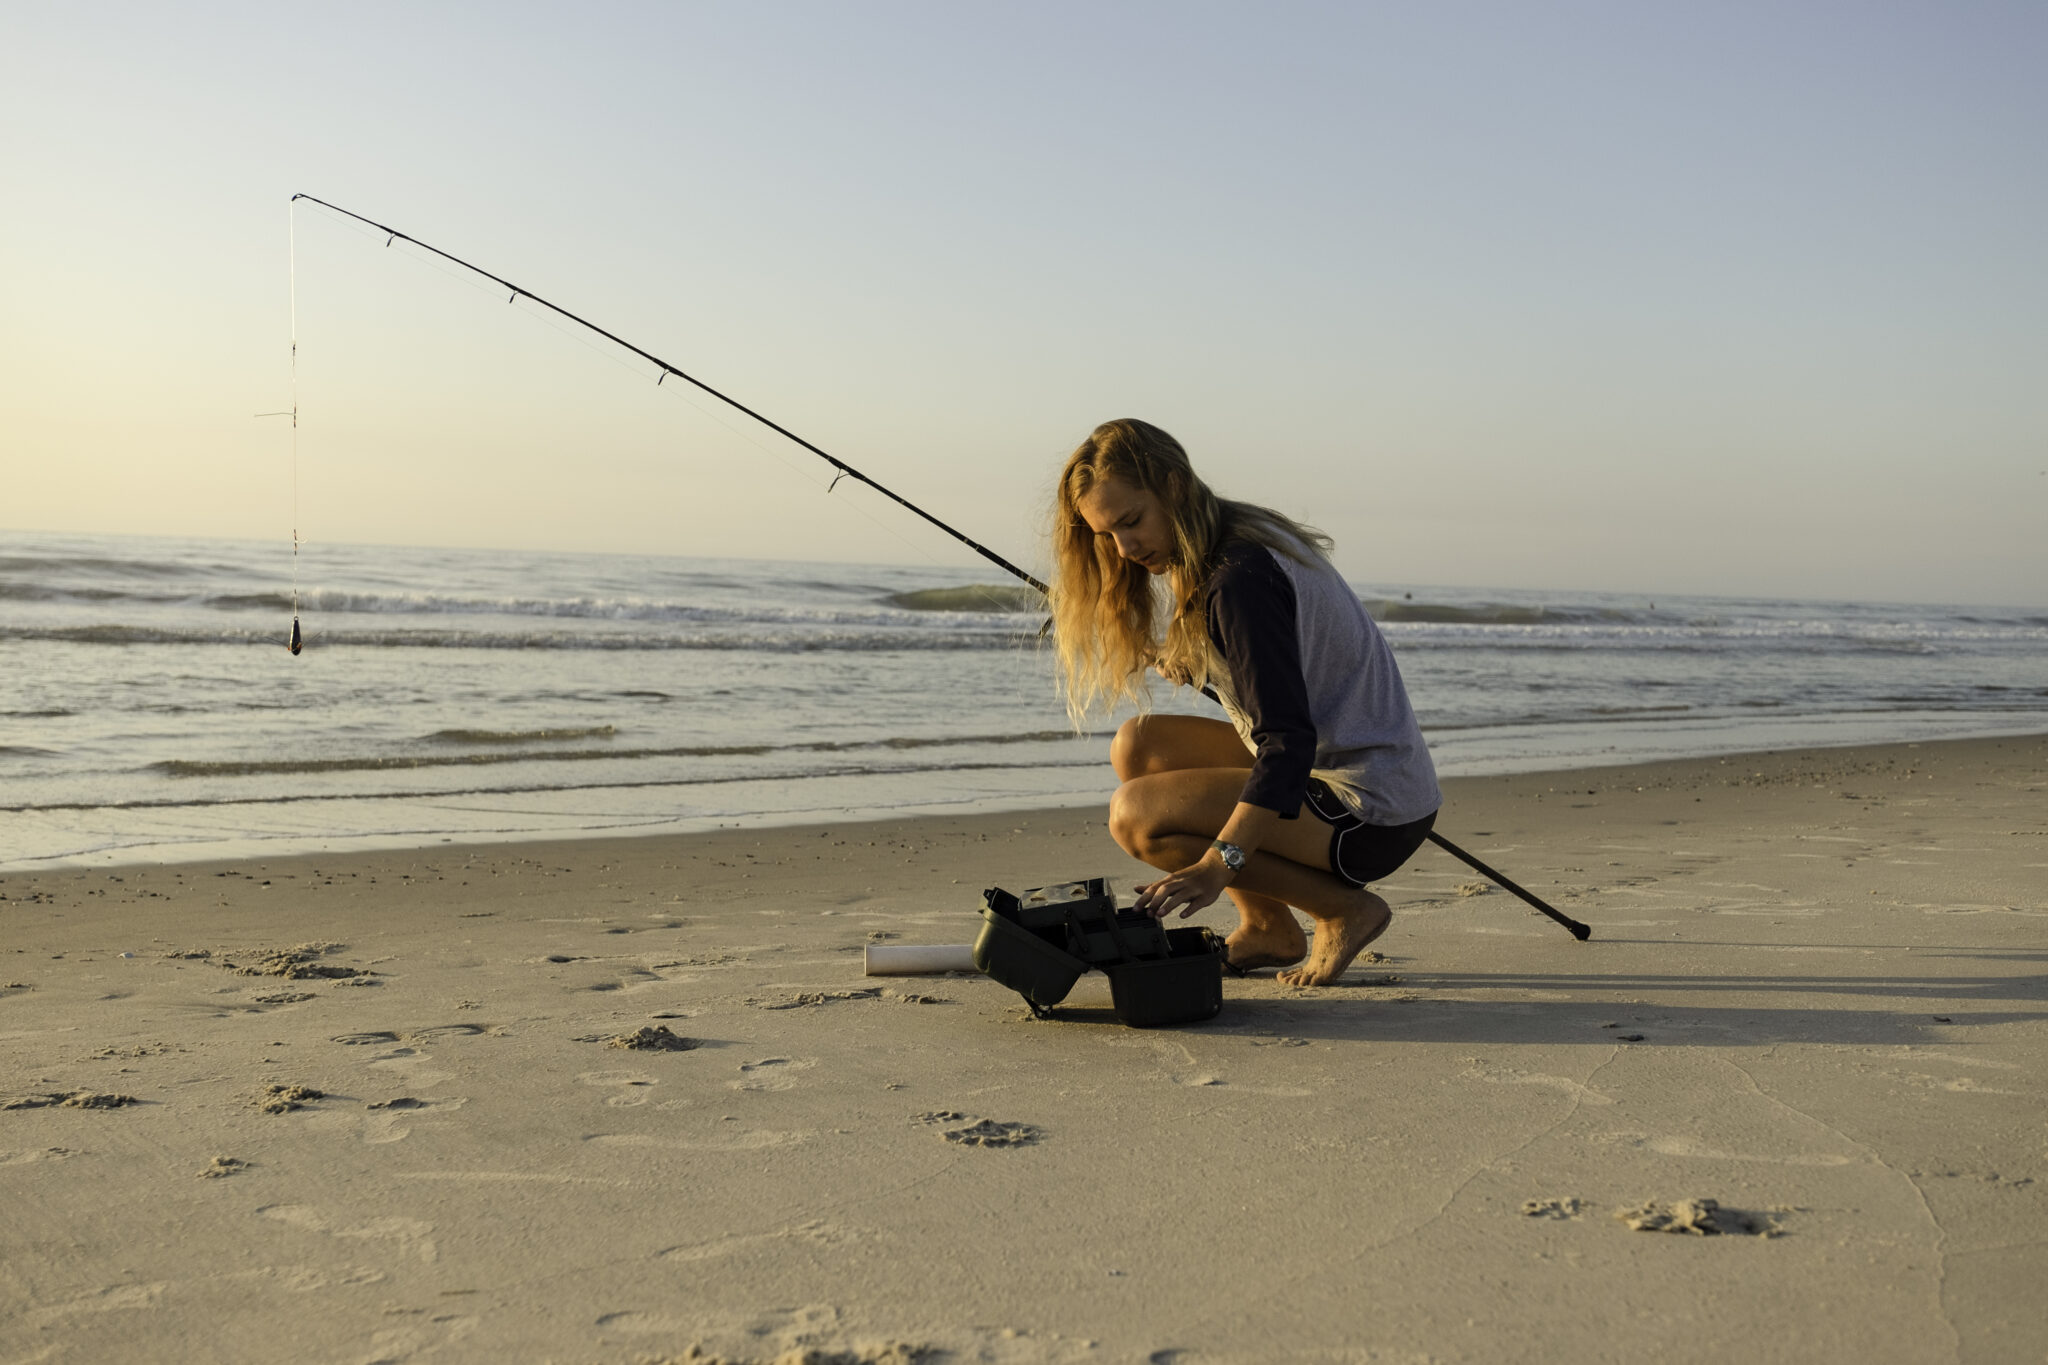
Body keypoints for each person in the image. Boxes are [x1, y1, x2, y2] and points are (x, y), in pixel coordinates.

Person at [1048, 418, 1441, 987]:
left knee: (1137, 819)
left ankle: (1343, 909)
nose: (1125, 548)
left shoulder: (1238, 580)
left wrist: (1217, 864)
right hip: (1356, 777)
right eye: (1106, 536)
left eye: (1131, 522)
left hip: (1369, 810)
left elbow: (1287, 742)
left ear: (1174, 486)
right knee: (1140, 745)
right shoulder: (1232, 537)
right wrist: (1198, 657)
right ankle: (1267, 927)